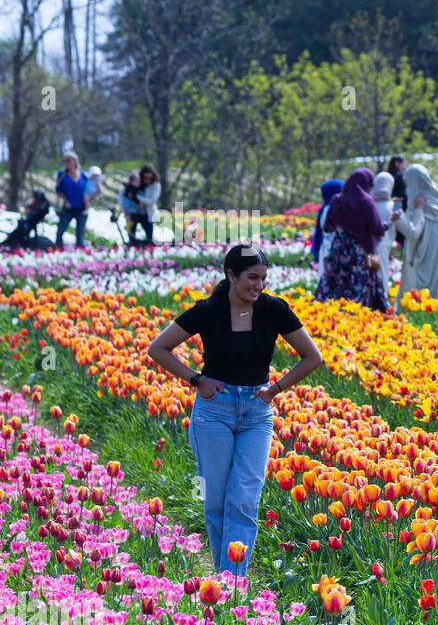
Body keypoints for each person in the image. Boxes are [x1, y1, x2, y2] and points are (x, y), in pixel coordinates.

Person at [147, 245, 323, 577]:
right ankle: (223, 574)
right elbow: (158, 348)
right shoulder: (208, 310)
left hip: (256, 414)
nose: (259, 286)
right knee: (214, 500)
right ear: (231, 276)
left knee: (243, 498)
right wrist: (196, 379)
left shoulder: (274, 310)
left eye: (263, 279)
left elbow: (313, 357)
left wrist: (275, 389)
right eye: (252, 278)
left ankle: (232, 581)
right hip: (214, 412)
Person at [315, 167, 389, 311]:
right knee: (370, 279)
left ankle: (331, 311)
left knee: (336, 281)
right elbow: (377, 229)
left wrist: (344, 227)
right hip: (366, 250)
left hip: (339, 250)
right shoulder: (367, 201)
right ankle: (363, 314)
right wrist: (390, 222)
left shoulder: (337, 200)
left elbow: (327, 227)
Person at [393, 163, 438, 307]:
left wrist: (401, 216)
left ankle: (425, 311)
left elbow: (413, 232)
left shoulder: (417, 196)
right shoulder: (436, 194)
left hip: (431, 242)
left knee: (427, 285)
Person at [54, 152, 92, 249]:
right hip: (68, 208)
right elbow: (58, 190)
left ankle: (80, 253)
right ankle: (58, 249)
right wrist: (66, 201)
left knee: (80, 234)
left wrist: (88, 202)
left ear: (75, 161)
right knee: (60, 230)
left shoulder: (83, 175)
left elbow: (88, 190)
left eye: (69, 160)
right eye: (65, 161)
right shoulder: (62, 174)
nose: (66, 162)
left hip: (81, 208)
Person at [371, 171, 398, 298]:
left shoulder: (369, 204)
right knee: (382, 277)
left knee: (371, 276)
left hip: (369, 246)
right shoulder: (392, 206)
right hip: (383, 248)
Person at [311, 178, 344, 277]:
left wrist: (315, 254)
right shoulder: (342, 209)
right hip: (340, 253)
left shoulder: (324, 209)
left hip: (325, 250)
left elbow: (318, 233)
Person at [386, 156, 408, 247]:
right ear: (396, 163)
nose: (405, 166)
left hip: (388, 206)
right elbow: (402, 195)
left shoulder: (386, 175)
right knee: (401, 234)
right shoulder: (399, 176)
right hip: (398, 205)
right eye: (403, 163)